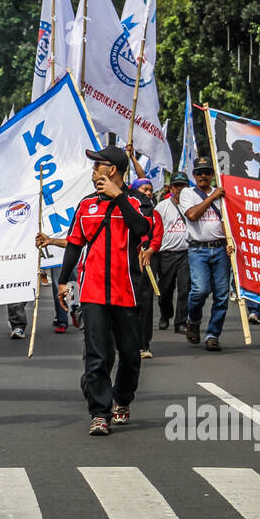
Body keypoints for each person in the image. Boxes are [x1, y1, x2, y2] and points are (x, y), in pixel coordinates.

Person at [48, 146, 150, 436]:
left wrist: (119, 197)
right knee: (97, 355)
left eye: (97, 166)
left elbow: (142, 229)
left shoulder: (137, 202)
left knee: (130, 355)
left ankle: (123, 398)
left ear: (113, 170)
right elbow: (74, 243)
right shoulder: (86, 205)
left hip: (127, 292)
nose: (93, 172)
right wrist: (64, 280)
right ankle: (99, 413)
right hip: (92, 292)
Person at [180, 157, 233, 352]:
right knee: (200, 290)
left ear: (212, 175)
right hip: (198, 249)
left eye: (207, 172)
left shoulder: (223, 193)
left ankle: (213, 335)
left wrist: (231, 243)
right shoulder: (188, 193)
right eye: (200, 172)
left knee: (221, 295)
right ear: (194, 175)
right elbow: (192, 215)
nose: (204, 176)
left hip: (220, 248)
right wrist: (212, 198)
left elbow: (230, 221)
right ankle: (193, 319)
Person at [154, 172, 191, 333]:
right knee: (165, 289)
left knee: (185, 288)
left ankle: (181, 321)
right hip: (166, 254)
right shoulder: (162, 206)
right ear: (171, 188)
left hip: (187, 253)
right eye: (177, 186)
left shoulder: (192, 204)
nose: (180, 189)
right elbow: (154, 229)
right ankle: (165, 314)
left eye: (183, 186)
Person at [135, 185, 163, 360]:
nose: (148, 193)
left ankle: (144, 344)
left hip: (148, 263)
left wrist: (150, 250)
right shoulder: (126, 208)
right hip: (129, 264)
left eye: (150, 190)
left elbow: (158, 235)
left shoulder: (155, 214)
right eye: (144, 190)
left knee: (145, 306)